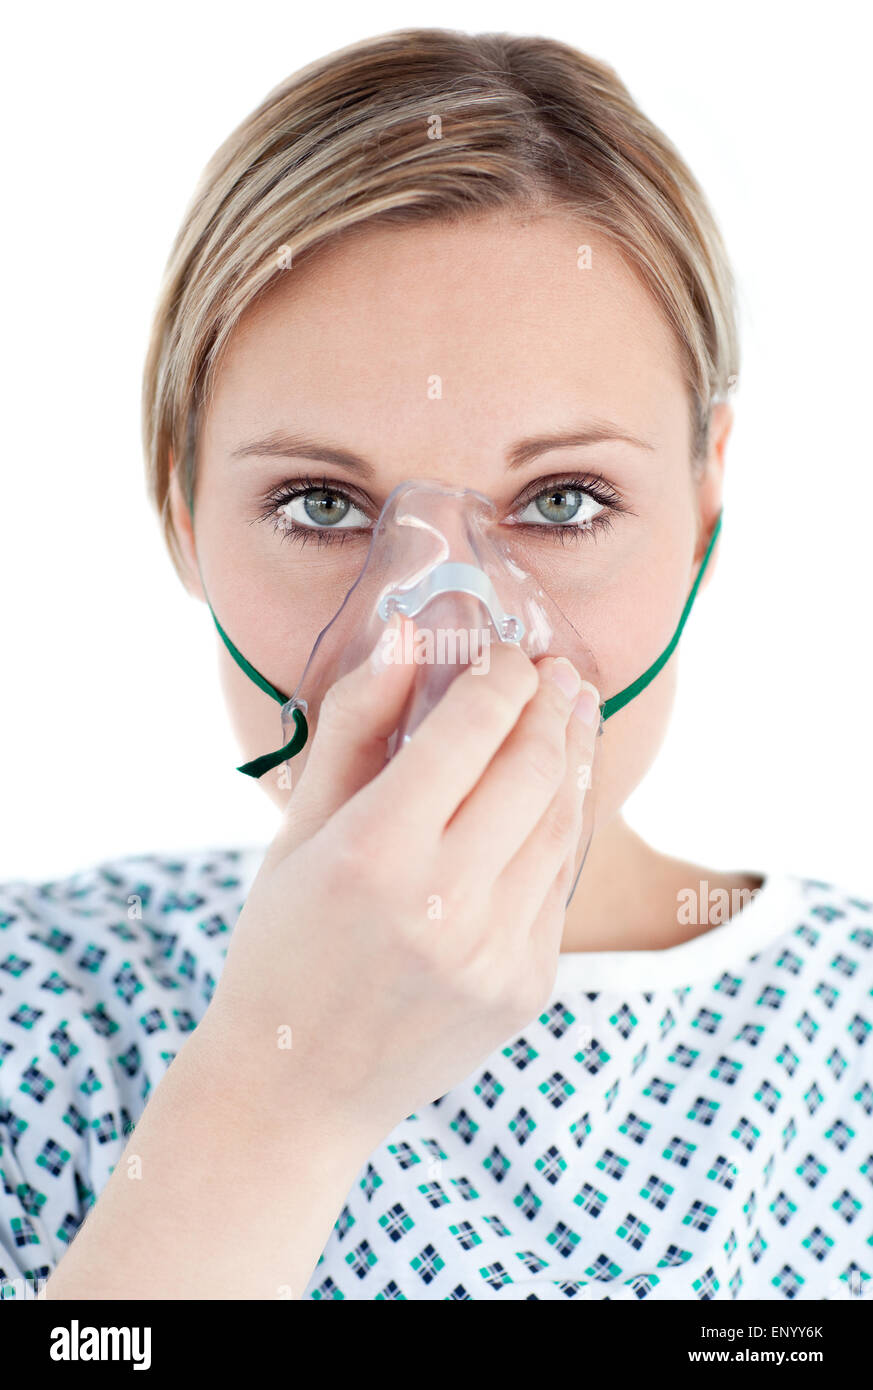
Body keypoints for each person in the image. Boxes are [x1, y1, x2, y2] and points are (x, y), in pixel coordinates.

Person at [1, 28, 869, 1303]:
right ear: (181, 514)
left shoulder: (845, 1046)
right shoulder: (42, 1012)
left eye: (564, 501)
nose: (439, 634)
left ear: (706, 507)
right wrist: (276, 1097)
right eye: (319, 504)